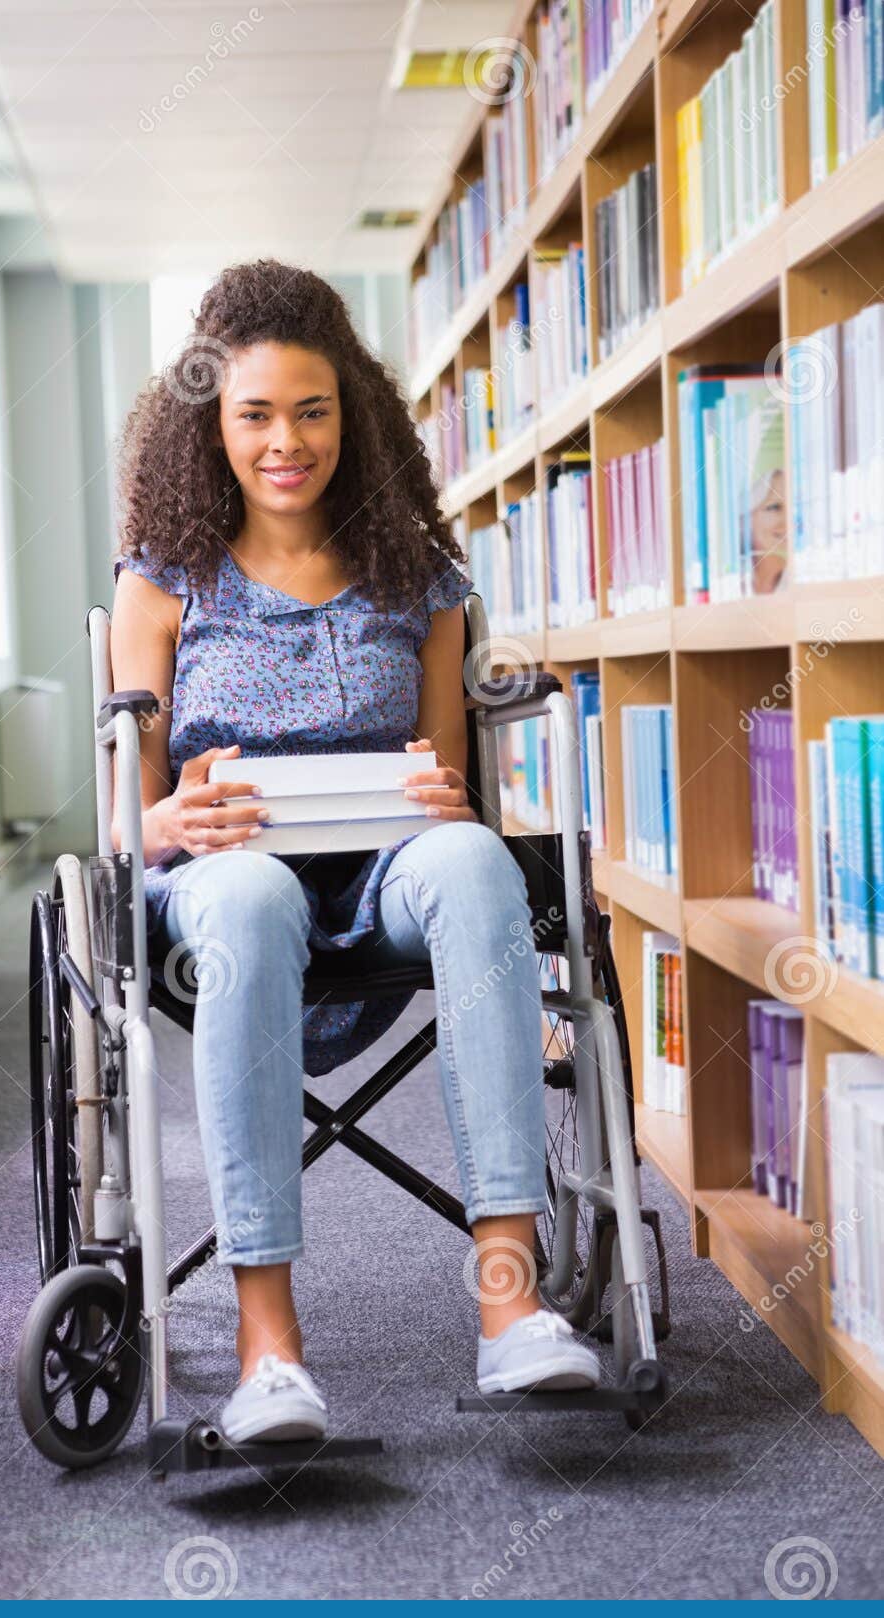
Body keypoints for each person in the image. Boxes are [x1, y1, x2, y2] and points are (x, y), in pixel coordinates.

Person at [109, 259, 599, 1443]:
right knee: (249, 901)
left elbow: (445, 775)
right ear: (210, 428)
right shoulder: (163, 580)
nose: (287, 441)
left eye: (312, 411)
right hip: (227, 884)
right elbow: (128, 812)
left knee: (476, 857)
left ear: (352, 415)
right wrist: (168, 820)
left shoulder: (418, 576)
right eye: (256, 415)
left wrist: (440, 795)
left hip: (388, 874)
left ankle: (511, 1305)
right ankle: (268, 1348)